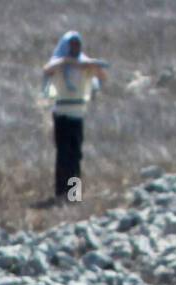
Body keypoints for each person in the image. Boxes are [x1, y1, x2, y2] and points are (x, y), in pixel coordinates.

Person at [41, 30, 108, 203]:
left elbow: (102, 77)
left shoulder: (84, 65)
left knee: (76, 155)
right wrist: (67, 61)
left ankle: (73, 194)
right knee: (64, 155)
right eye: (72, 45)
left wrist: (91, 66)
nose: (75, 48)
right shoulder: (60, 64)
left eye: (78, 45)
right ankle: (61, 192)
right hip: (62, 115)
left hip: (78, 115)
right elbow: (47, 70)